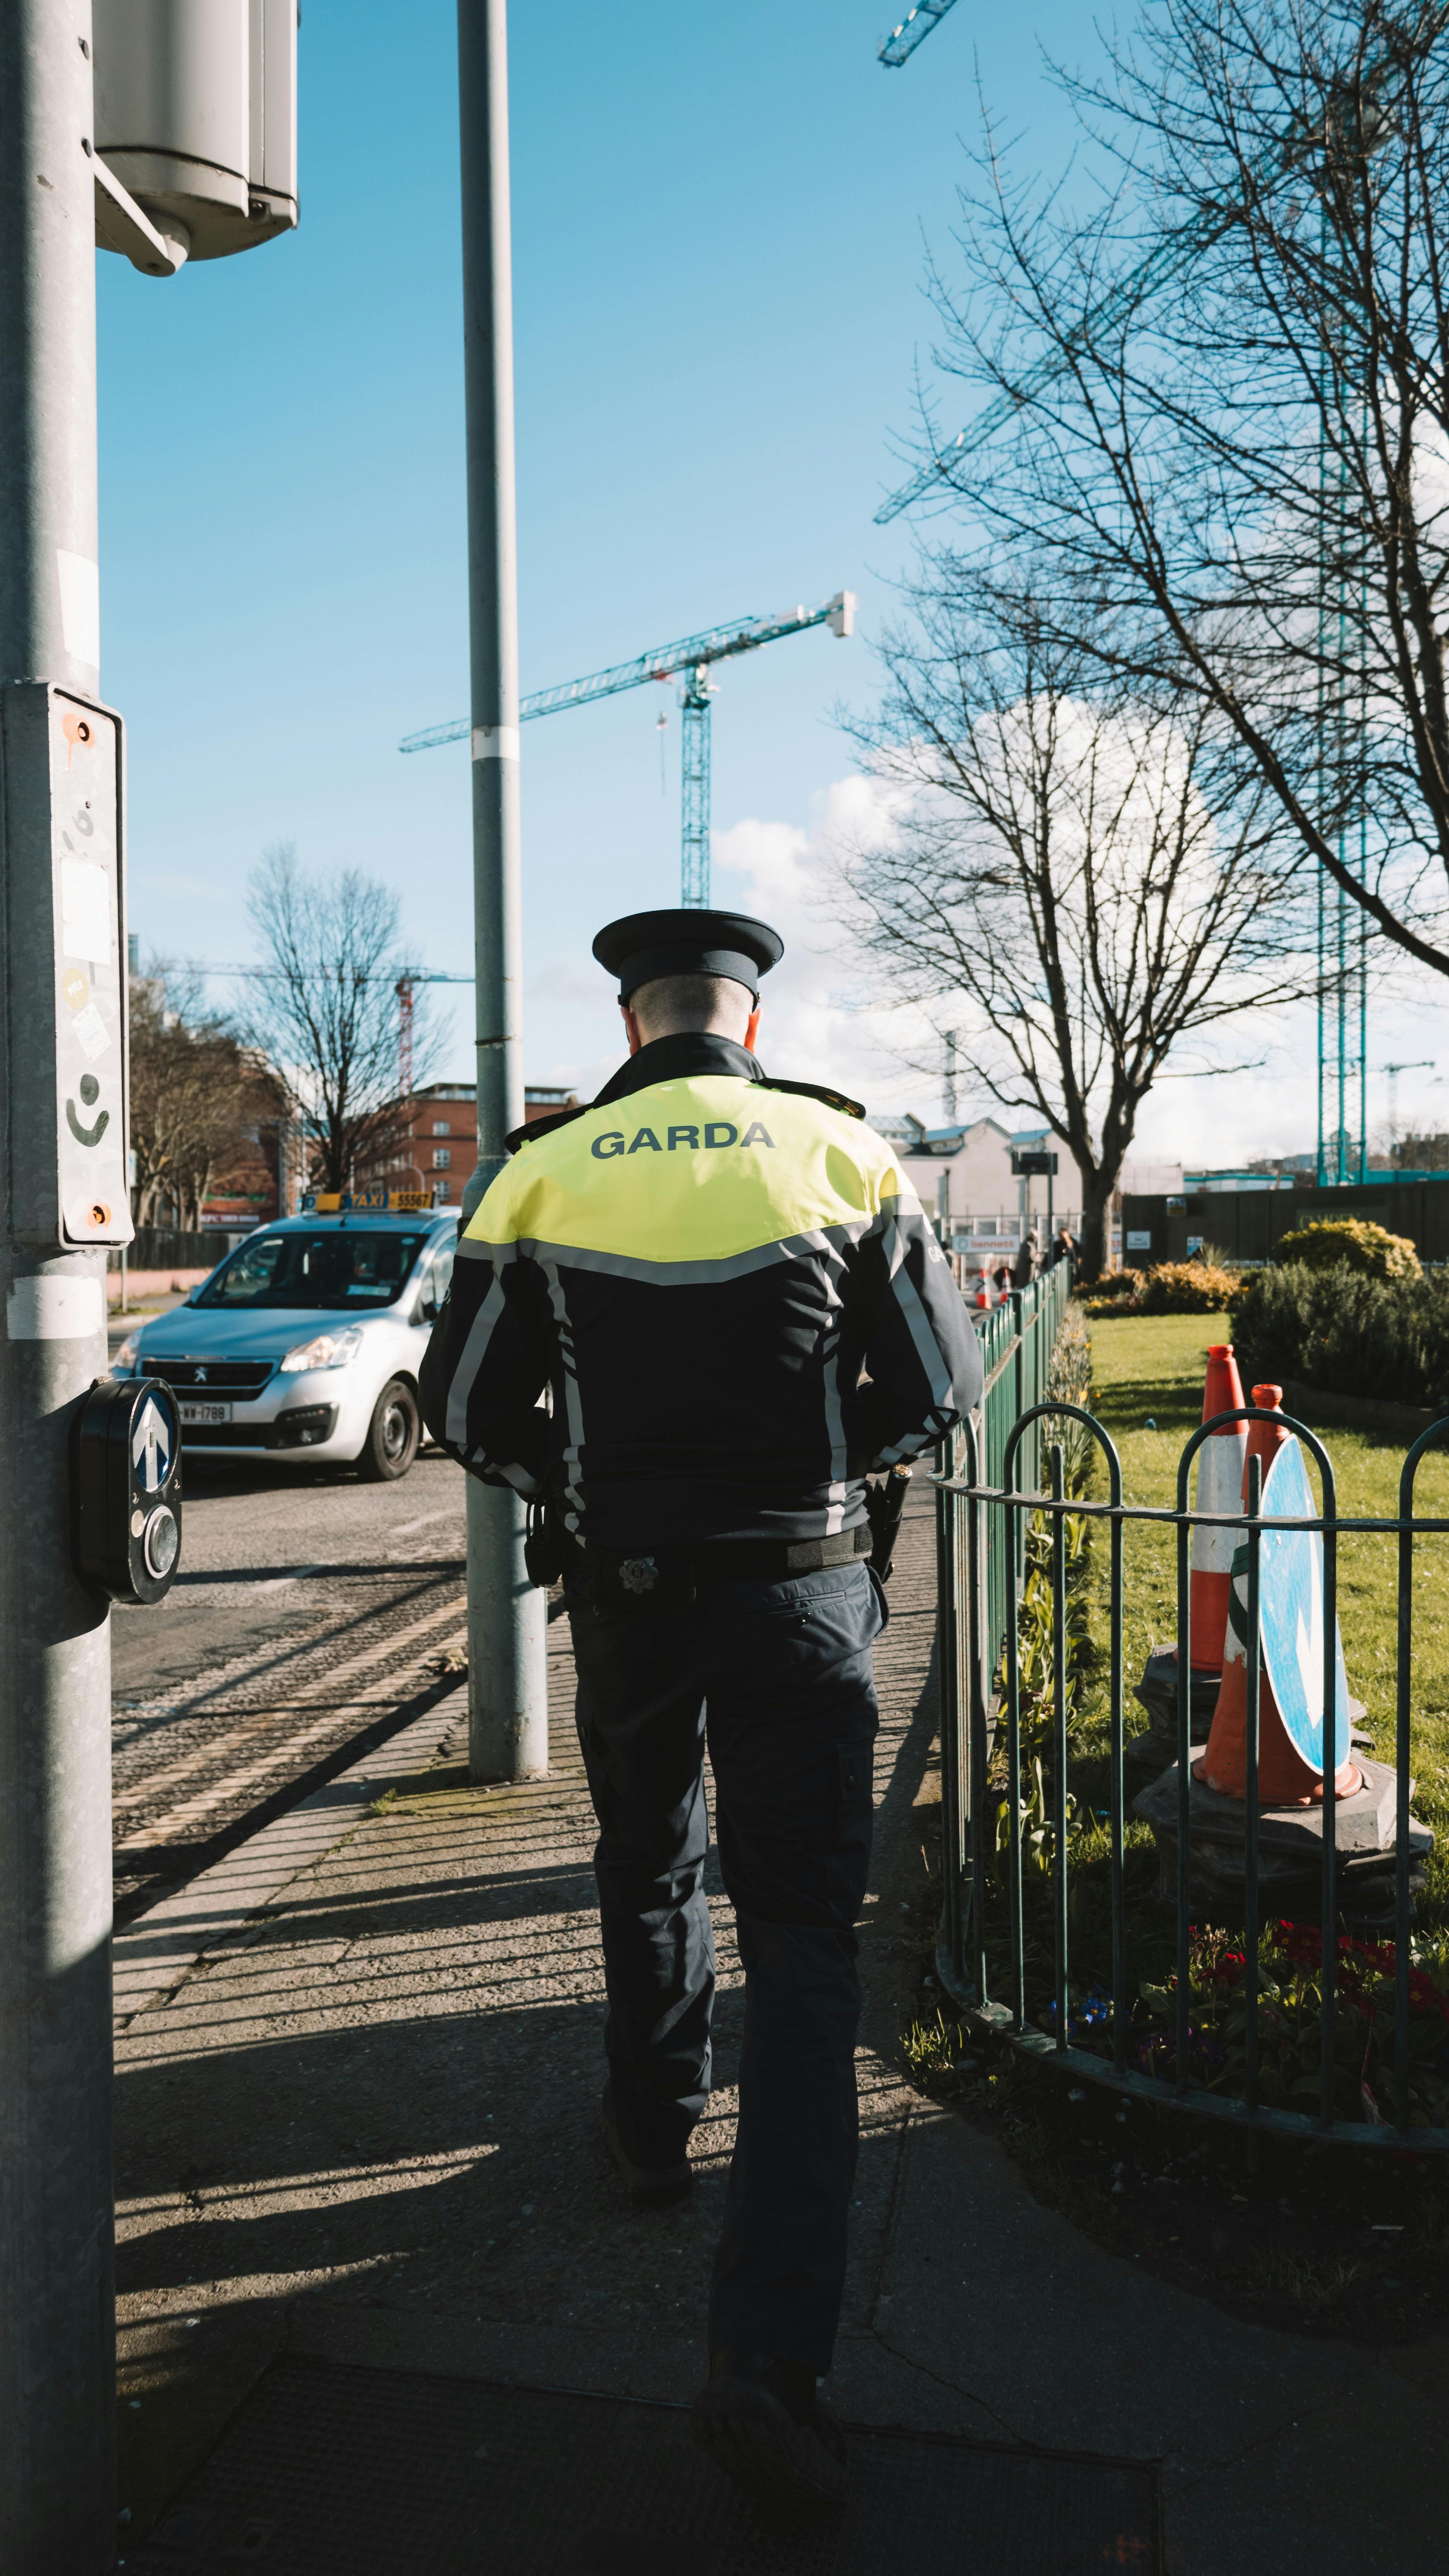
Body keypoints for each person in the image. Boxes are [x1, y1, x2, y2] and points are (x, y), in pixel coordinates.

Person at [419, 908, 982, 2522]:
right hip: (804, 1594)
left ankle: (652, 2123)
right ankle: (768, 2367)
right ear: (747, 1012)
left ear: (629, 1019)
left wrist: (582, 1494)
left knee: (645, 1853)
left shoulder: (544, 1169)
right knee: (804, 1940)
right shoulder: (837, 1157)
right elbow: (937, 1387)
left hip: (633, 1591)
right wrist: (828, 1472)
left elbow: (469, 1407)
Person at [1012, 1226, 1040, 1290]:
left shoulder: (1029, 1244)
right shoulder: (1027, 1245)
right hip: (1025, 1272)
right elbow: (1030, 1258)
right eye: (1036, 1237)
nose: (1036, 1239)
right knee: (1024, 1288)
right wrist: (1038, 1258)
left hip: (1027, 1272)